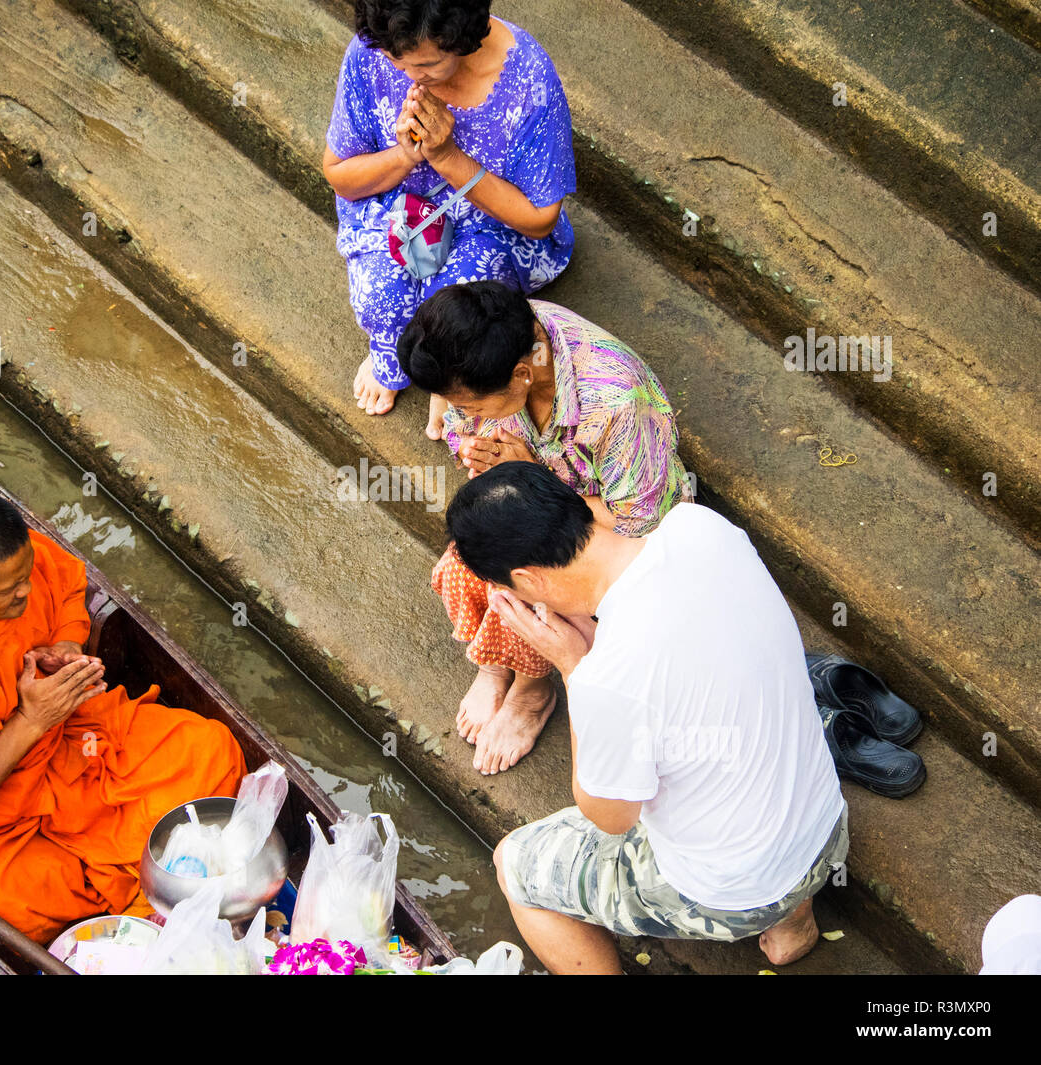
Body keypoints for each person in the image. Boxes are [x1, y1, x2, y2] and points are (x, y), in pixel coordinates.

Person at [446, 463, 847, 973]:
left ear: (525, 580)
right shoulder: (699, 526)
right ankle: (793, 927)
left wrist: (574, 670)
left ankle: (767, 916)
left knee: (516, 865)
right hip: (825, 829)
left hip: (733, 891)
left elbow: (610, 818)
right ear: (580, 507)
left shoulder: (607, 679)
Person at [0, 488, 246, 943]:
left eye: (26, 574)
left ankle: (148, 900)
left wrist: (66, 647)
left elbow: (66, 587)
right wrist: (31, 721)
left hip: (72, 740)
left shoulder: (12, 562)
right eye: (10, 591)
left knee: (209, 748)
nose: (27, 590)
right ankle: (147, 905)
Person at [400, 281, 689, 775]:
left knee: (519, 587)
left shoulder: (616, 405)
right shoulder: (502, 335)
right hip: (545, 497)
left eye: (471, 406)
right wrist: (475, 448)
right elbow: (459, 425)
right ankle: (495, 664)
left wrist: (532, 473)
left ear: (520, 376)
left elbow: (643, 527)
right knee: (462, 561)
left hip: (610, 531)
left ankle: (532, 689)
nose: (462, 417)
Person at [324, 0, 576, 433]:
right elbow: (340, 174)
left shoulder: (529, 81)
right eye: (395, 60)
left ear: (462, 37)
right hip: (398, 207)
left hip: (491, 222)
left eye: (426, 64)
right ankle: (390, 355)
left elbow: (538, 219)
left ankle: (448, 386)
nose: (407, 75)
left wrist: (447, 157)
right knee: (379, 296)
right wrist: (405, 155)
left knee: (457, 324)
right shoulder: (374, 52)